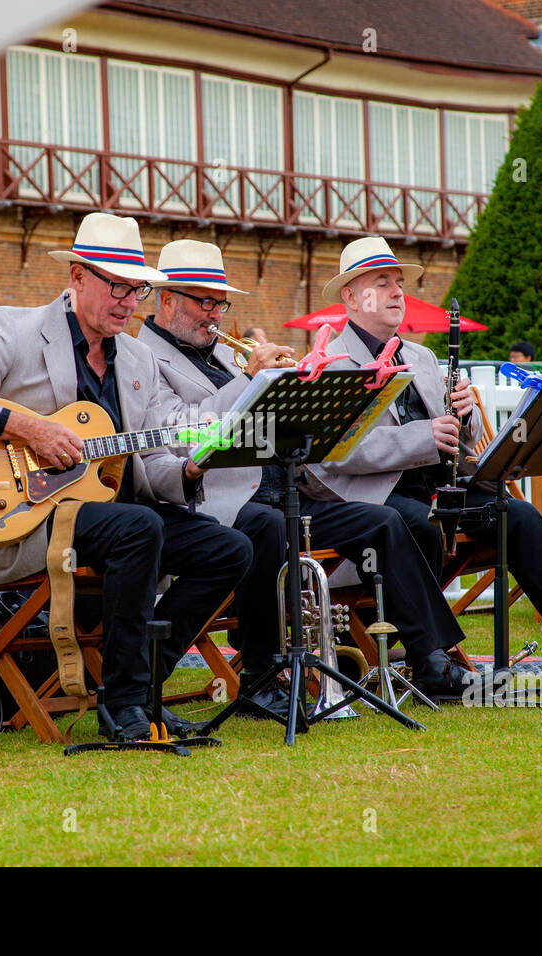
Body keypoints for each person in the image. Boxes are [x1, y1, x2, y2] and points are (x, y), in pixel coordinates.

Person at [0, 213, 252, 741]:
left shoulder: (137, 357)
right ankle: (127, 704)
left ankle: (139, 689)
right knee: (139, 527)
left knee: (229, 549)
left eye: (136, 290)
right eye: (116, 286)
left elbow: (153, 456)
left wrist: (190, 467)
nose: (127, 302)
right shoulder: (16, 330)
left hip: (113, 519)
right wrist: (29, 430)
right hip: (20, 518)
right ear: (76, 277)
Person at [304, 236, 542, 683]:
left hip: (435, 489)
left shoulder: (421, 357)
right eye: (382, 282)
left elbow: (460, 445)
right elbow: (337, 453)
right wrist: (425, 435)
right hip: (374, 499)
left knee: (515, 513)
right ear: (351, 296)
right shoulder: (330, 363)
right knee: (419, 522)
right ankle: (430, 661)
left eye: (399, 282)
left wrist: (463, 420)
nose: (398, 292)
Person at [142, 239, 477, 709]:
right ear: (167, 299)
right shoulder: (144, 357)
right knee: (265, 527)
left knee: (383, 520)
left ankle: (431, 661)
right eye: (205, 301)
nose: (215, 313)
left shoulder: (217, 351)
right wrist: (250, 381)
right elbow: (180, 432)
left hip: (285, 492)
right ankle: (261, 676)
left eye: (221, 302)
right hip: (221, 501)